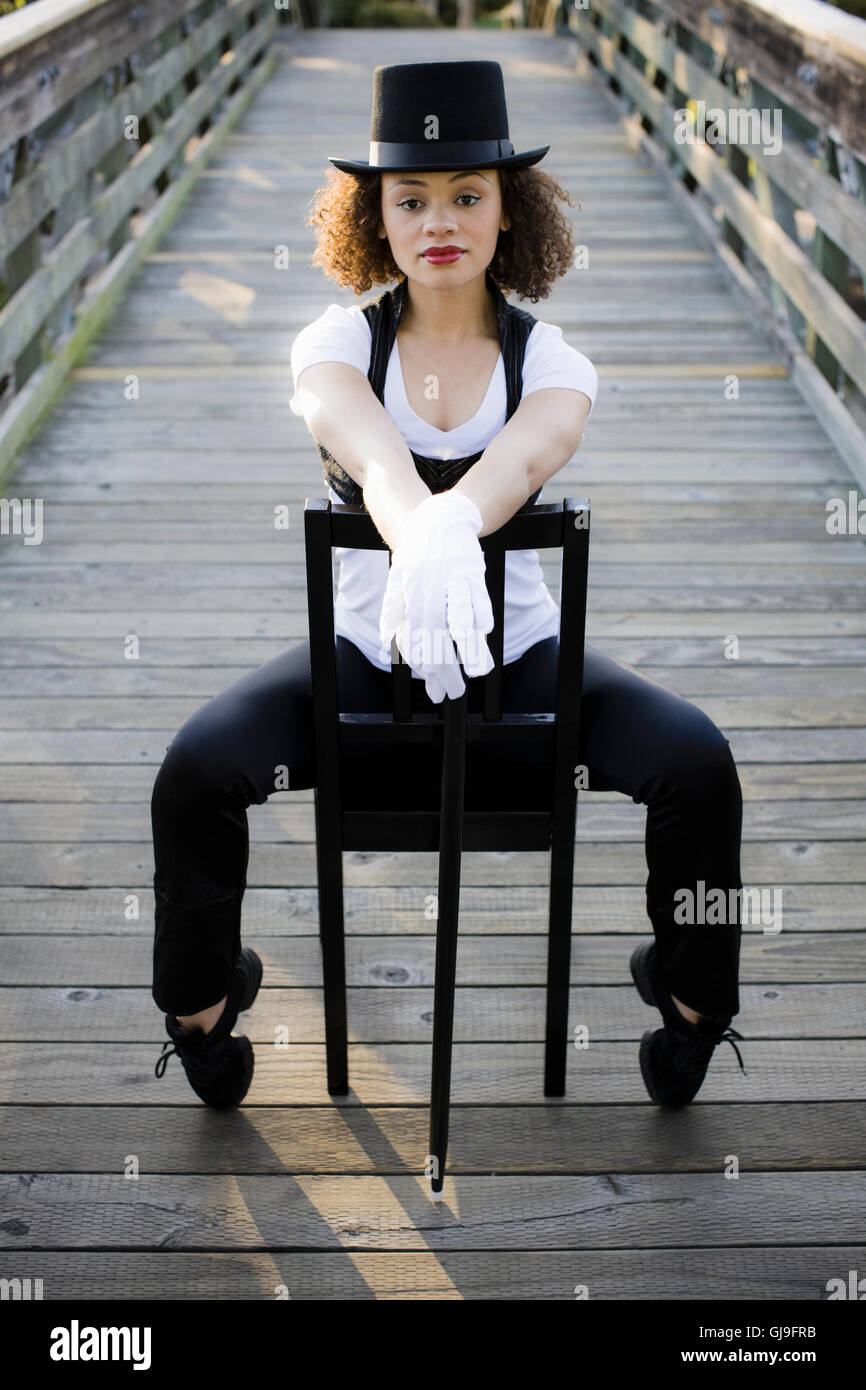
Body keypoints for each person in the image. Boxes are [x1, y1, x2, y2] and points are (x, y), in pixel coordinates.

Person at [151, 60, 746, 1113]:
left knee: (695, 760)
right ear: (372, 216)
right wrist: (415, 518)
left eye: (466, 195)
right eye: (410, 197)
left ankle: (692, 1004)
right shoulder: (336, 343)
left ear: (506, 209)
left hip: (522, 682)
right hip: (355, 677)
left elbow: (523, 461)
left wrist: (454, 518)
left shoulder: (550, 360)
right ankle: (201, 1013)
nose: (439, 220)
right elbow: (370, 454)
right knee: (195, 769)